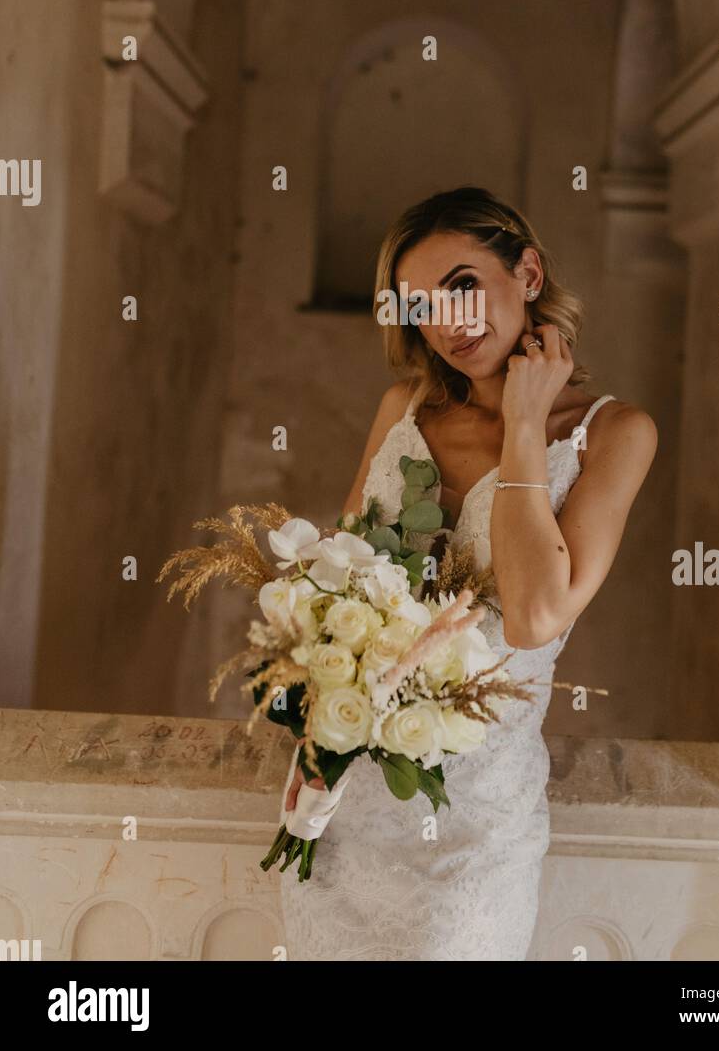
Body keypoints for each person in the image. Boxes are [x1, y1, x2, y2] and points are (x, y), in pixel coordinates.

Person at [280, 186, 657, 960]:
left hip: (475, 827)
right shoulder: (404, 408)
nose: (447, 322)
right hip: (344, 808)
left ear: (527, 272)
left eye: (461, 285)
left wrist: (523, 424)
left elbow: (534, 617)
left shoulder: (614, 434)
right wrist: (321, 737)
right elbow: (337, 587)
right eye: (420, 303)